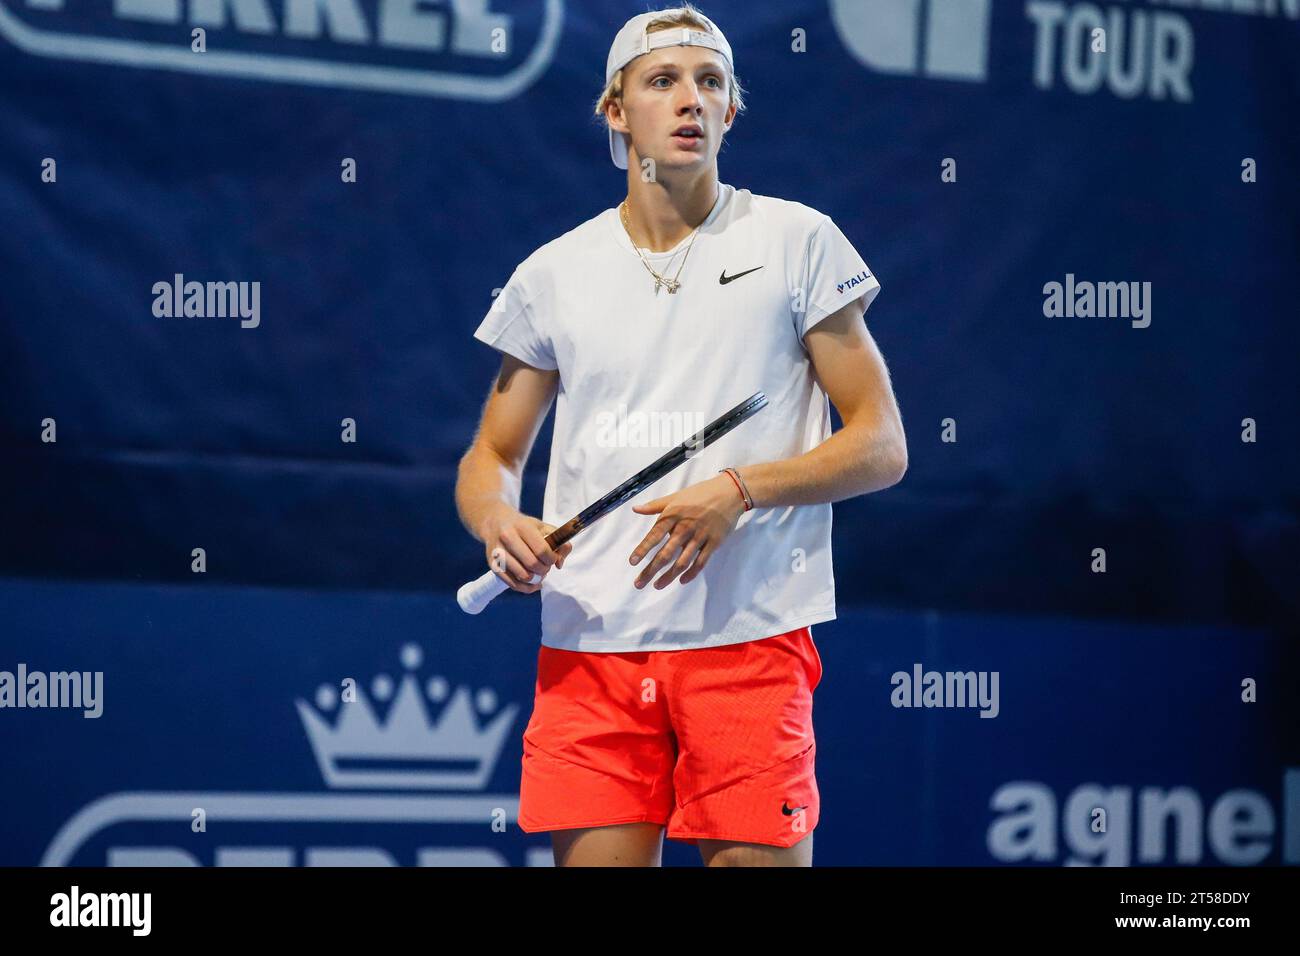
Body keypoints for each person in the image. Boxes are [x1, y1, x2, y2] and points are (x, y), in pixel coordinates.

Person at [455, 3, 907, 867]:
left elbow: (882, 443)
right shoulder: (553, 273)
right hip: (590, 647)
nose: (689, 100)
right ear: (616, 112)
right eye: (663, 81)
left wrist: (742, 490)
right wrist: (496, 522)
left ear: (731, 111)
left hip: (749, 638)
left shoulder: (798, 241)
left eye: (710, 83)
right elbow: (493, 456)